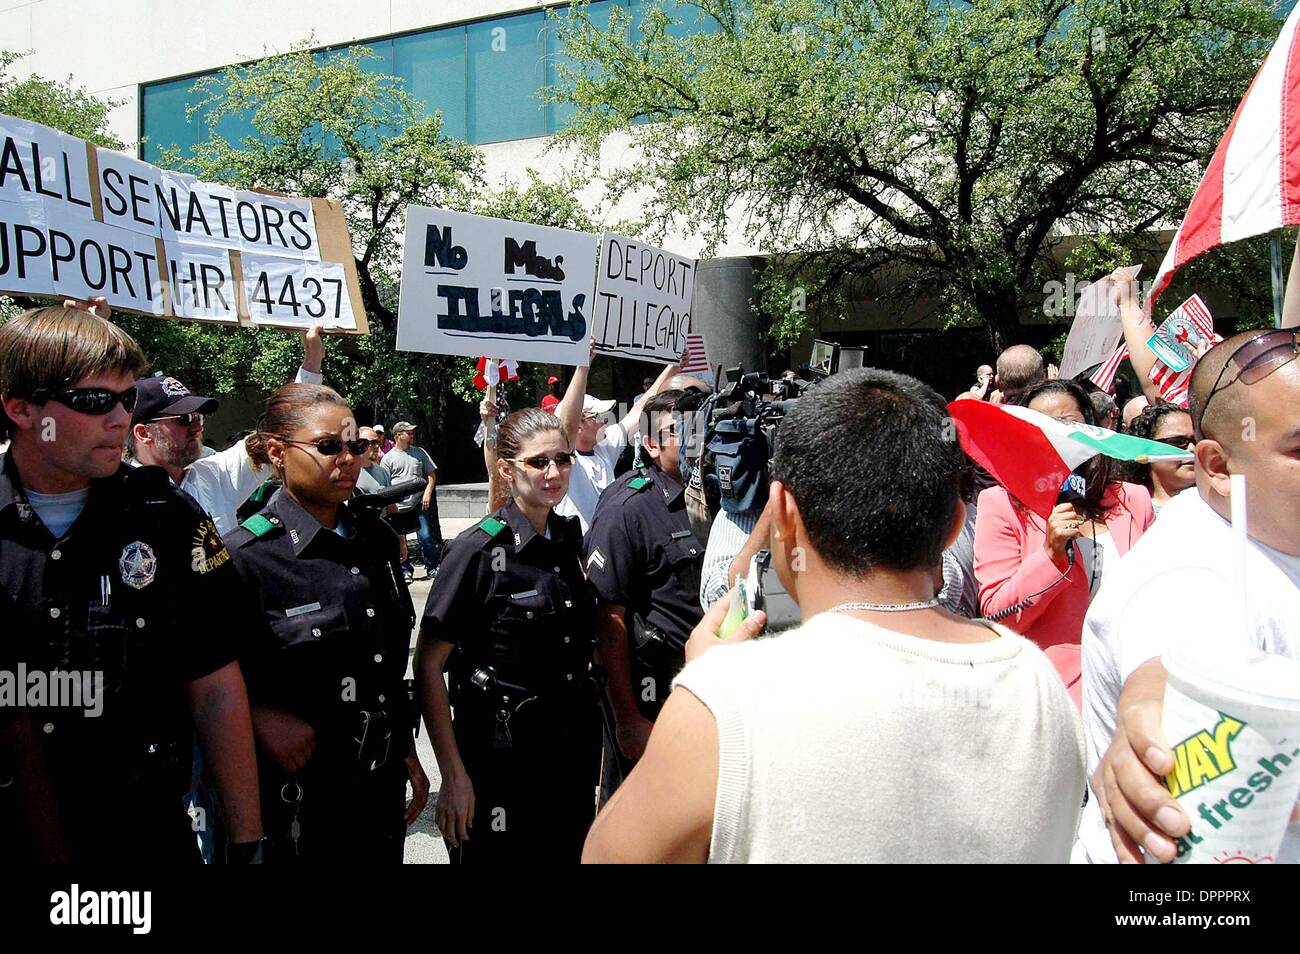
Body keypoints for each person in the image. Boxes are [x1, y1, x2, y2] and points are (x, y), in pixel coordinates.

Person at [582, 369, 1085, 863]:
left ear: (780, 515)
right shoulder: (1039, 684)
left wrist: (698, 682)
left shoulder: (727, 701)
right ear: (956, 522)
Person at [0, 304, 263, 863]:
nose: (119, 419)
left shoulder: (165, 515)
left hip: (143, 835)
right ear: (21, 409)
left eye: (124, 400)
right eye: (95, 402)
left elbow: (214, 681)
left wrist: (245, 840)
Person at [1082, 328, 1300, 864]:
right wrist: (1155, 726)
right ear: (1219, 467)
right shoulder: (1189, 573)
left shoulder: (1276, 525)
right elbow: (1169, 674)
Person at [223, 383, 428, 863]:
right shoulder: (246, 556)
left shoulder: (373, 537)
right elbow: (202, 673)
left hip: (376, 780)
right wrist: (258, 717)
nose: (348, 459)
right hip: (297, 792)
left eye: (355, 446)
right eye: (328, 447)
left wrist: (403, 749)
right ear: (278, 452)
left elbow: (384, 664)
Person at [416, 408, 600, 864]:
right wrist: (453, 776)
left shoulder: (567, 541)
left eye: (563, 459)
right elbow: (428, 666)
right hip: (499, 767)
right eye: (539, 462)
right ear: (506, 468)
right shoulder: (478, 551)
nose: (553, 472)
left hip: (566, 765)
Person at [973, 379, 1155, 707]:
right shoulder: (1001, 505)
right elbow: (998, 614)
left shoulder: (1133, 499)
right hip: (1055, 696)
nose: (1056, 436)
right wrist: (1050, 555)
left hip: (1134, 687)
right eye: (1041, 426)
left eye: (1068, 423)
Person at [584, 390, 706, 795]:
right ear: (651, 443)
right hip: (654, 695)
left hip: (710, 693)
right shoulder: (628, 507)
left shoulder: (722, 495)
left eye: (700, 428)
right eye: (680, 431)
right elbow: (608, 619)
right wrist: (628, 718)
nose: (694, 440)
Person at [127, 327, 325, 535]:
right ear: (144, 433)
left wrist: (312, 360)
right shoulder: (113, 495)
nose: (196, 427)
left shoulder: (214, 475)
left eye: (198, 417)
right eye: (184, 419)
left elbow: (277, 430)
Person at [382, 421, 440, 581]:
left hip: (418, 505)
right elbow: (384, 483)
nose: (412, 435)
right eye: (409, 432)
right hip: (398, 507)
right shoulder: (388, 458)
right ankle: (405, 570)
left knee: (426, 537)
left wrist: (427, 493)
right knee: (400, 542)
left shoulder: (420, 453)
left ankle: (432, 567)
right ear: (399, 435)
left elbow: (431, 475)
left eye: (412, 432)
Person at [1118, 403, 1196, 514]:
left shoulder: (1220, 504)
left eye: (1197, 440)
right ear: (1147, 448)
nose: (1192, 448)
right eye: (1178, 442)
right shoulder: (1125, 511)